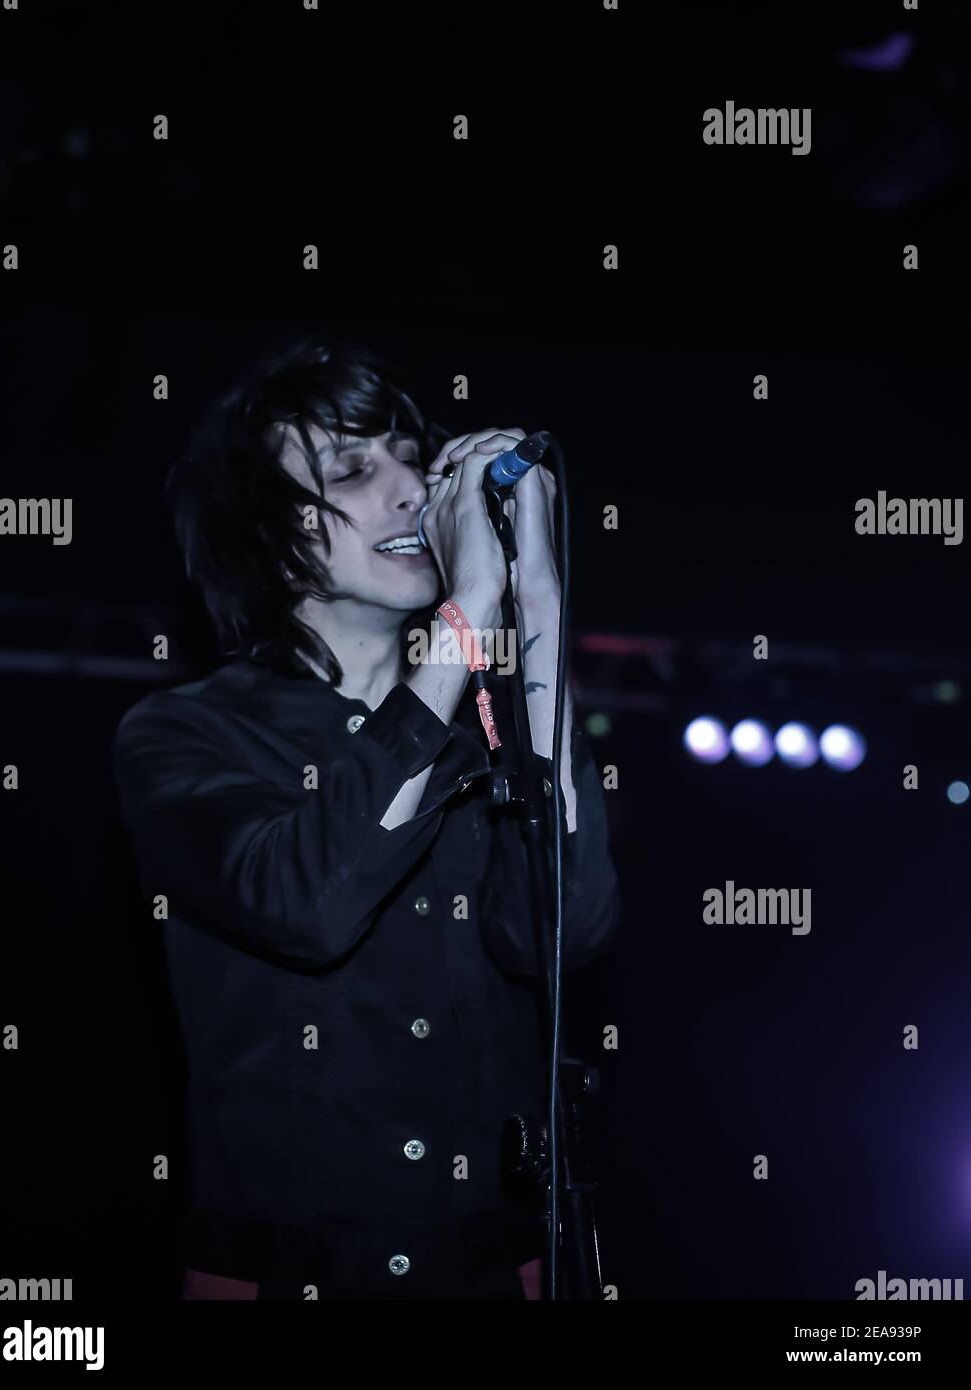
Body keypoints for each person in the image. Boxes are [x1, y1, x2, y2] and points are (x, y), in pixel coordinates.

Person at [112, 336, 621, 1299]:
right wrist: (467, 620)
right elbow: (311, 901)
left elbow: (568, 929)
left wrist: (536, 599)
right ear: (266, 530)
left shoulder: (484, 733)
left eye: (409, 459)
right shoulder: (184, 733)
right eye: (352, 468)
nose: (408, 491)